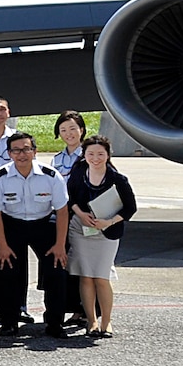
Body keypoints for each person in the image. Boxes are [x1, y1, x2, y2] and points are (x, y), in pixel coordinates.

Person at [0, 132, 73, 338]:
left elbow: (61, 211)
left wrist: (60, 245)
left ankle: (54, 323)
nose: (22, 154)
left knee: (56, 272)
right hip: (11, 224)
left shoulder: (51, 176)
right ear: (9, 154)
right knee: (8, 272)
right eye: (16, 150)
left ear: (35, 151)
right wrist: (3, 246)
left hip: (43, 224)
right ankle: (9, 322)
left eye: (26, 149)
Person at [67, 135, 135, 339]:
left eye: (100, 154)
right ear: (84, 155)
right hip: (81, 229)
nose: (95, 158)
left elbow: (131, 208)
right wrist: (81, 214)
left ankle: (107, 321)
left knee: (102, 277)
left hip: (107, 230)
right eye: (91, 154)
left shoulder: (117, 179)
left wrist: (109, 222)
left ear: (107, 155)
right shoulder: (78, 171)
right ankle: (92, 321)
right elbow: (70, 198)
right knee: (86, 276)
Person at [51, 111, 88, 177]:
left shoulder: (89, 156)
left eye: (72, 129)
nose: (68, 134)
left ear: (81, 130)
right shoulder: (56, 159)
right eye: (63, 130)